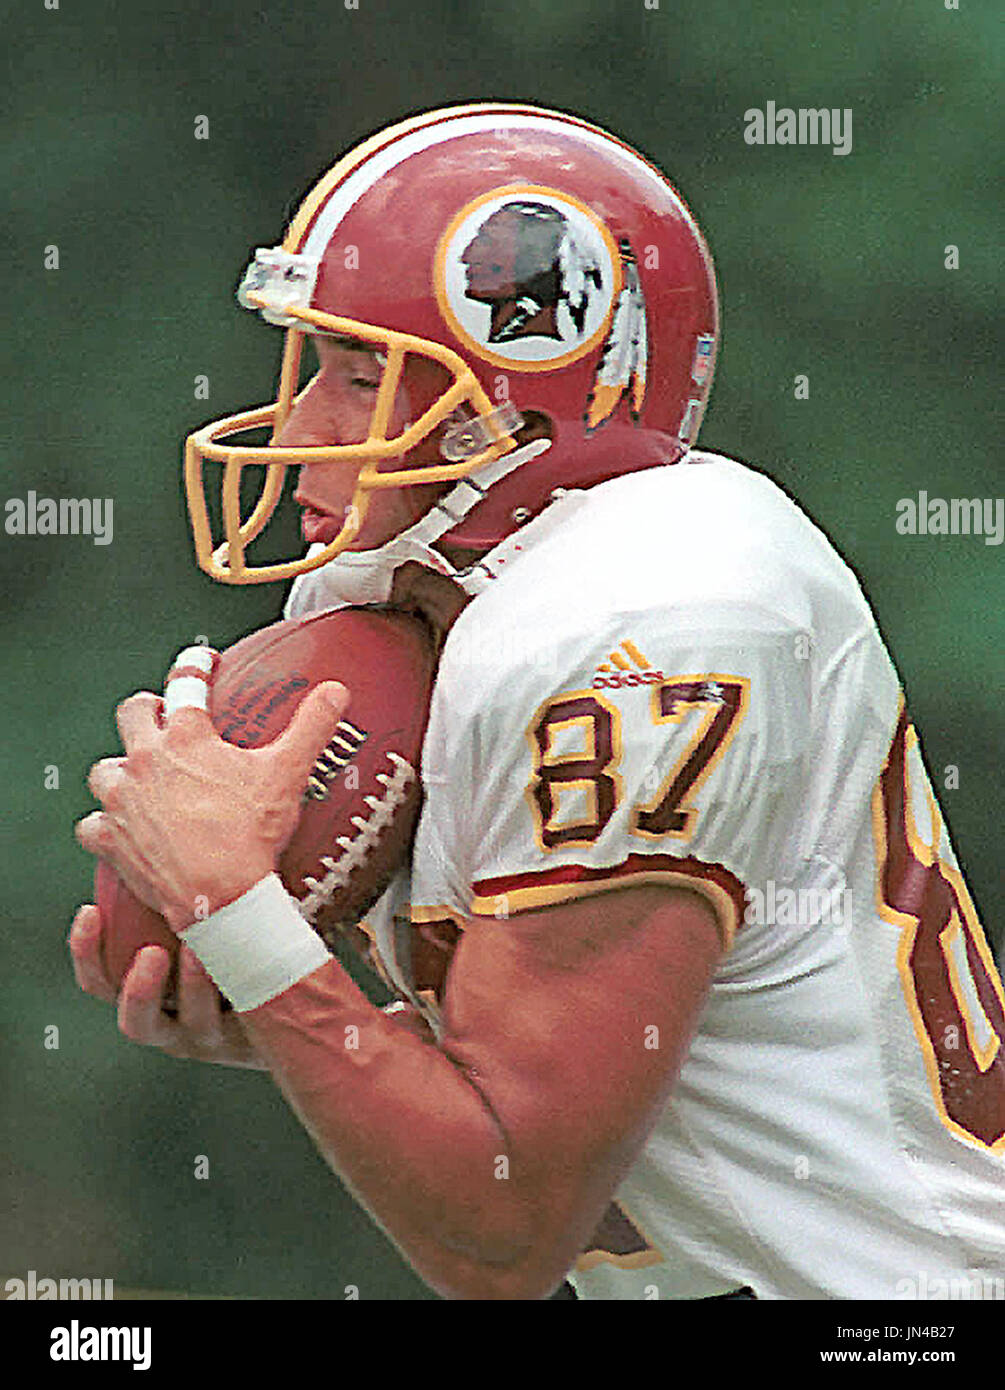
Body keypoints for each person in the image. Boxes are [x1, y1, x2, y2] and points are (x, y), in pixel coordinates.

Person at [71, 103, 1005, 1301]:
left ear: (527, 411)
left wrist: (236, 909)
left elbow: (501, 1229)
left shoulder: (648, 625)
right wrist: (292, 1013)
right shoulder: (424, 581)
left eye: (362, 379)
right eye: (313, 367)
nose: (303, 434)